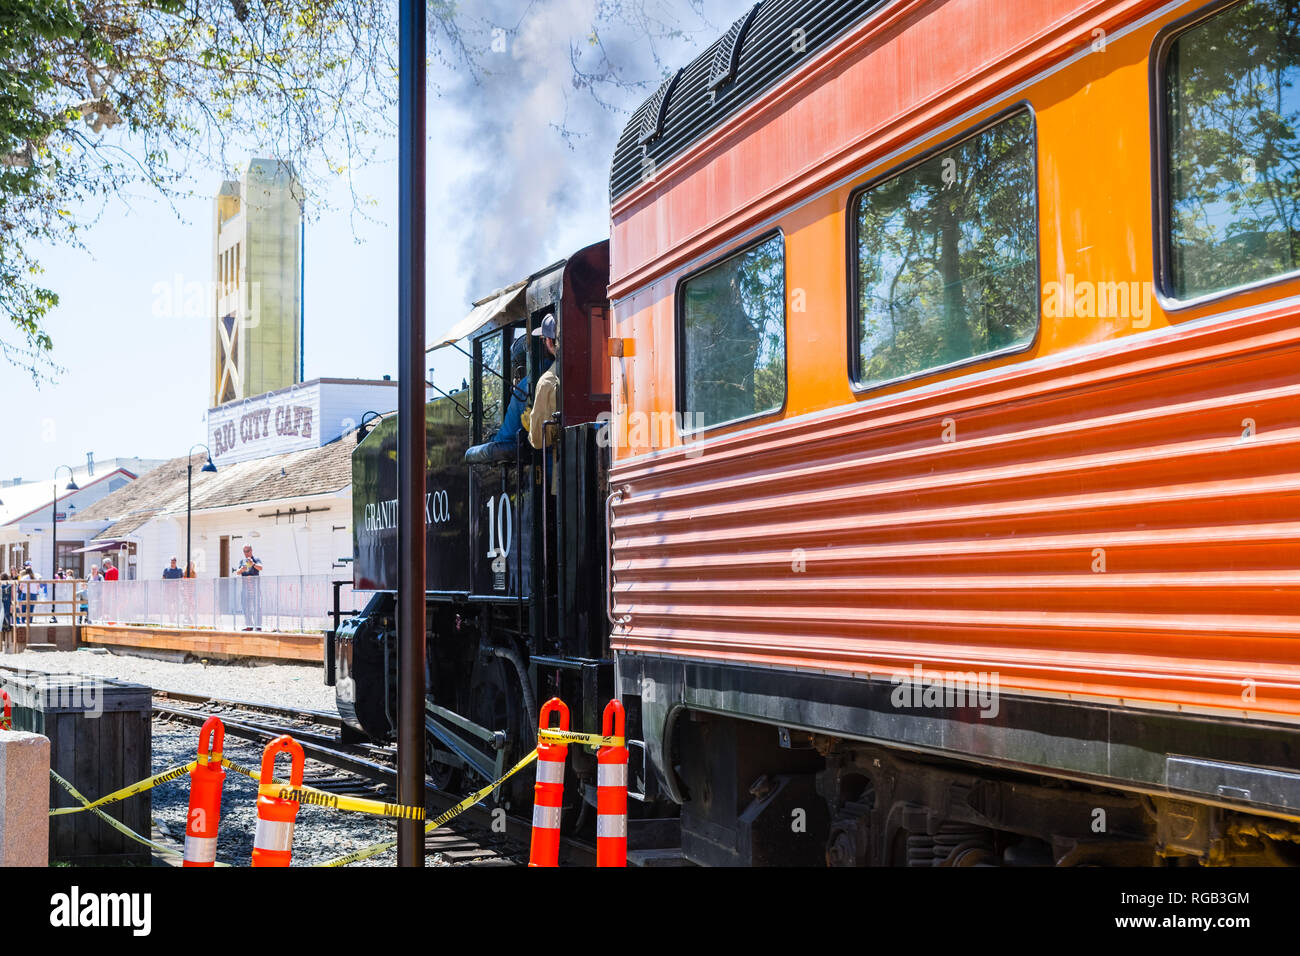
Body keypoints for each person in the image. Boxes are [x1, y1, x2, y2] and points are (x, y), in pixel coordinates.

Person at [528, 313, 560, 453]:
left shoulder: (547, 381)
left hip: (564, 460)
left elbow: (538, 438)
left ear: (549, 341)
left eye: (543, 339)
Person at [235, 545, 263, 630]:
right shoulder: (242, 561)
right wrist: (242, 570)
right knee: (245, 607)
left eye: (247, 551)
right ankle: (249, 626)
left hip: (255, 588)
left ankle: (258, 627)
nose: (246, 553)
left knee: (257, 607)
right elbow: (237, 572)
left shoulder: (256, 559)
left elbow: (261, 568)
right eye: (244, 551)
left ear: (251, 550)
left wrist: (253, 564)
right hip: (245, 588)